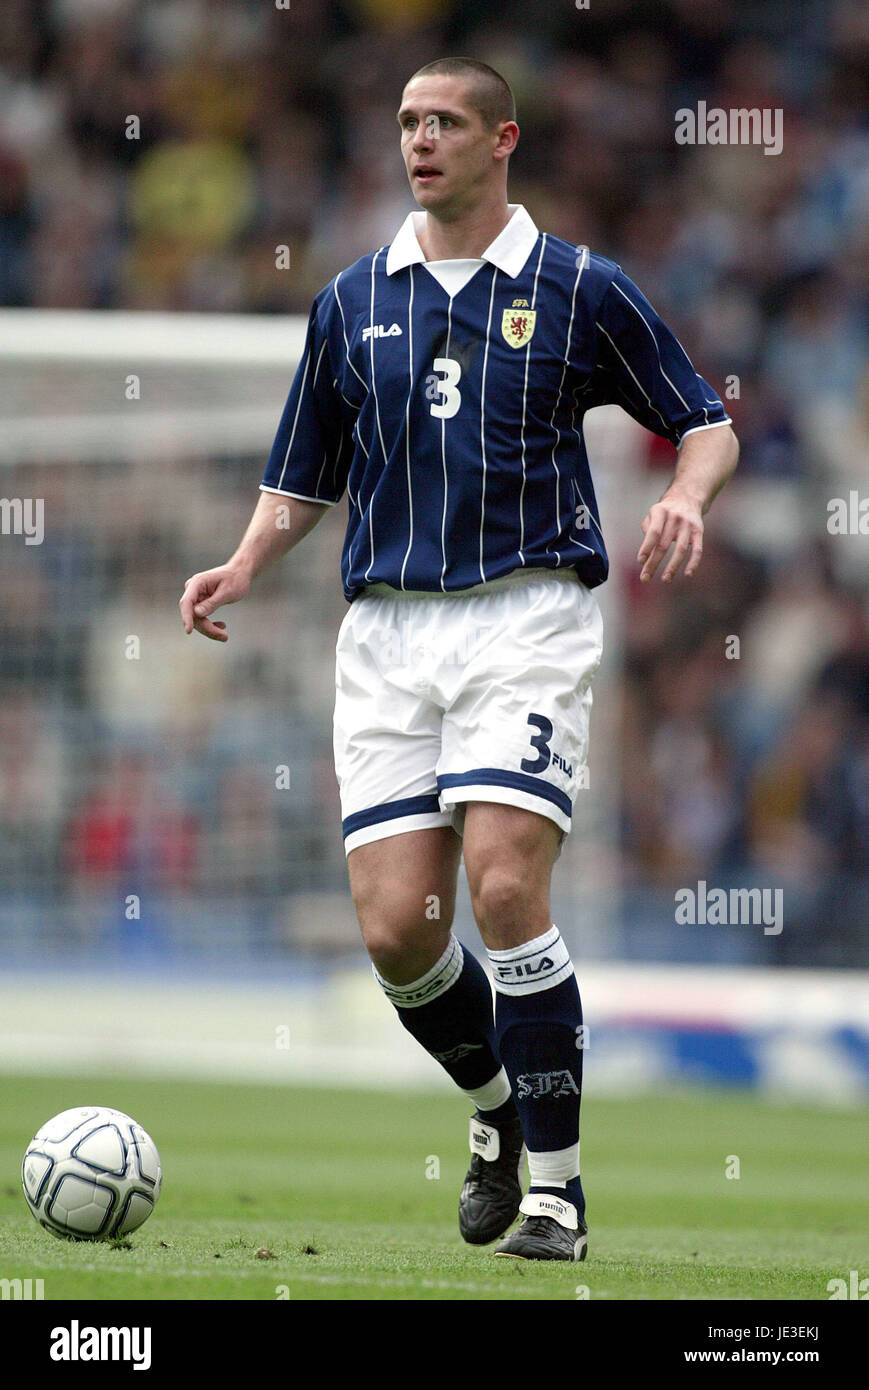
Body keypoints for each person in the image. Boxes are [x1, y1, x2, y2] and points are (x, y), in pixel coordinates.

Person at [179, 57, 739, 1261]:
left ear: (501, 141)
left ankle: (557, 1191)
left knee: (499, 886)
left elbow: (703, 418)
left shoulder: (577, 285)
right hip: (384, 634)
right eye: (405, 123)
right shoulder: (349, 300)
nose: (418, 140)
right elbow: (301, 476)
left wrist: (687, 495)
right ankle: (495, 1111)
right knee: (396, 929)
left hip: (524, 619)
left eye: (443, 123)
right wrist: (240, 563)